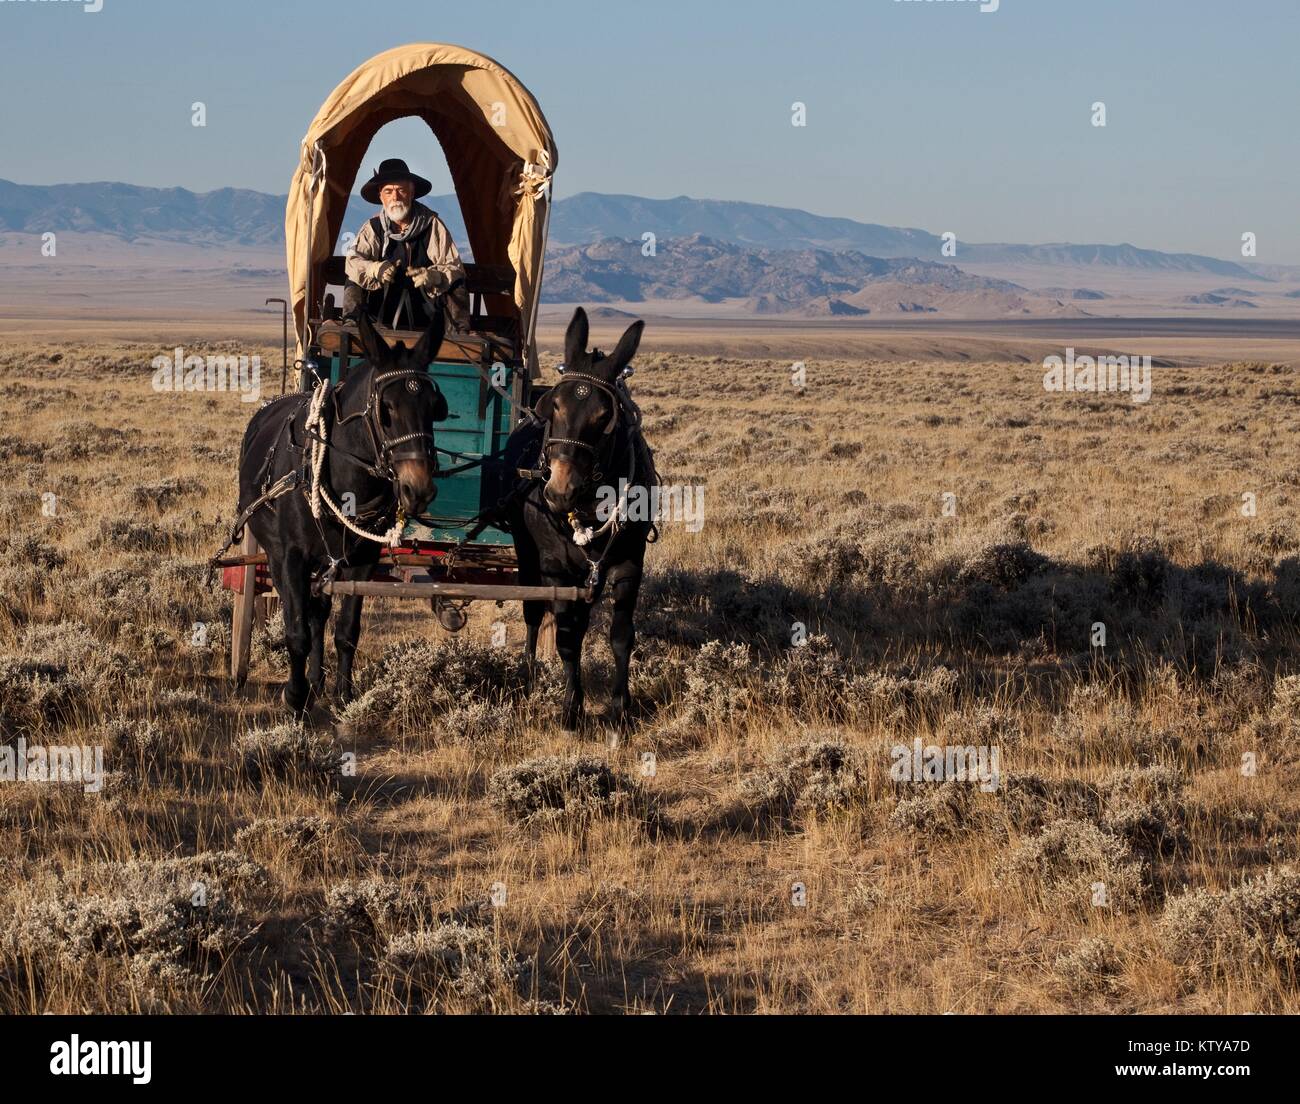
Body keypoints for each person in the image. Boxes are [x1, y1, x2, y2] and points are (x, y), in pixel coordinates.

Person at [343, 158, 471, 333]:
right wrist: (375, 269)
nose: (395, 197)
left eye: (401, 190)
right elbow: (353, 262)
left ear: (411, 193)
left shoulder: (431, 225)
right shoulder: (373, 228)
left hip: (426, 313)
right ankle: (351, 328)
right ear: (381, 196)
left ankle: (459, 334)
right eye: (388, 191)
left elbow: (454, 267)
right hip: (381, 313)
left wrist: (435, 276)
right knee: (355, 274)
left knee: (455, 281)